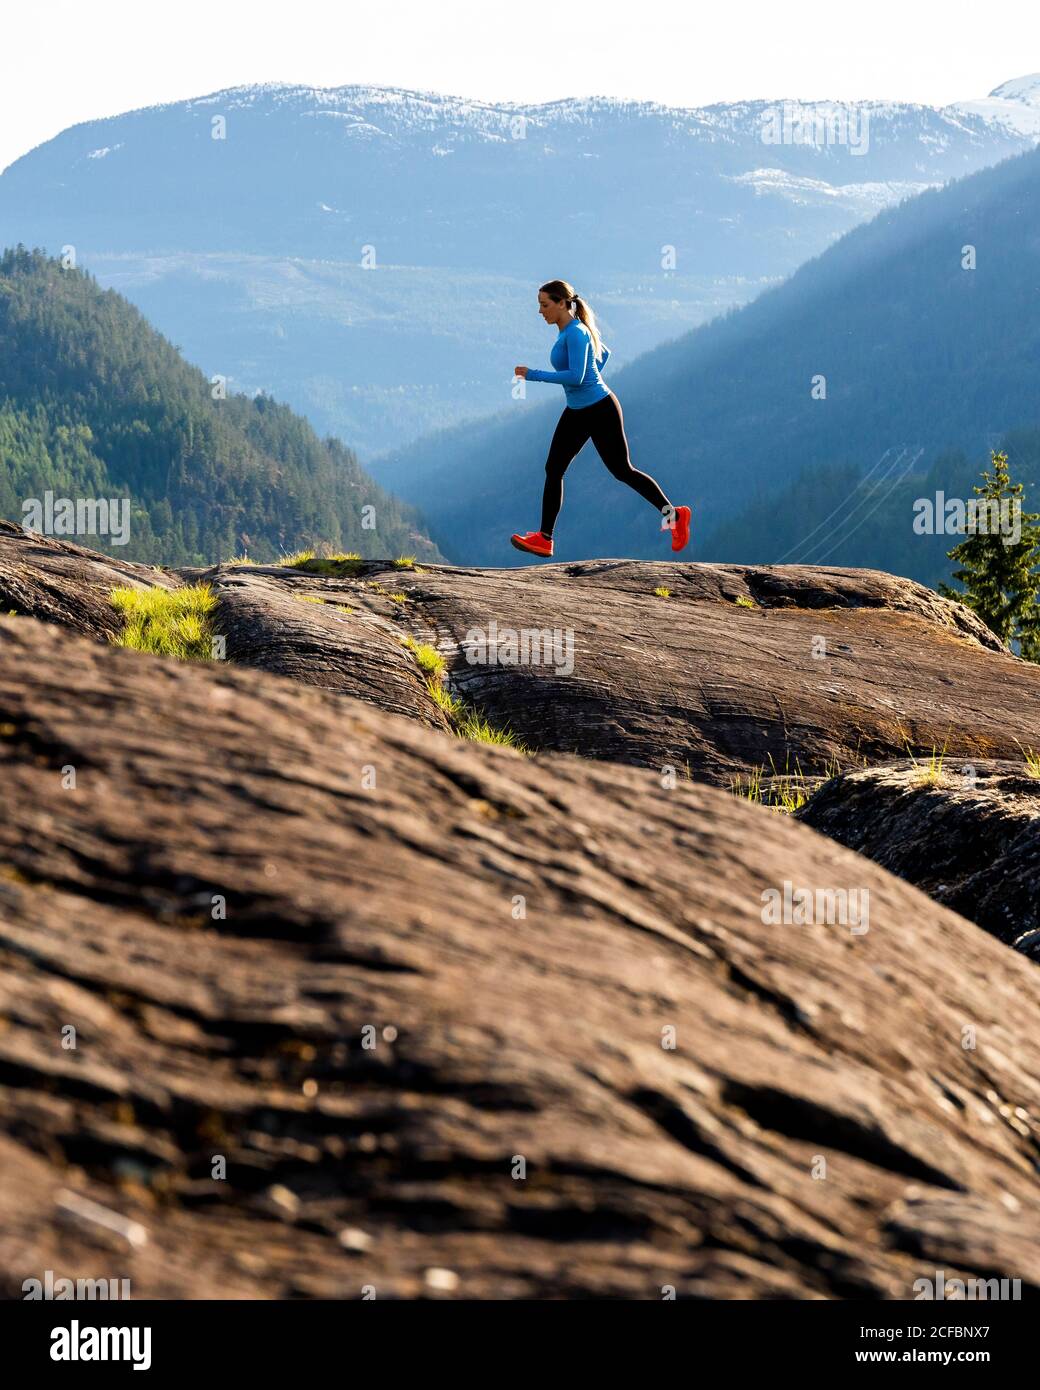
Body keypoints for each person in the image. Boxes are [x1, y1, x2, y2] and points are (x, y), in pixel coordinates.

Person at [511, 279, 691, 558]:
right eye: (539, 305)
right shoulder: (570, 331)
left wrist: (532, 374)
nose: (540, 311)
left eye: (545, 305)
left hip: (599, 409)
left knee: (622, 471)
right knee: (554, 468)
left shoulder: (576, 333)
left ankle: (675, 516)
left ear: (561, 303)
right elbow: (603, 353)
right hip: (578, 410)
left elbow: (577, 376)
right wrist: (589, 375)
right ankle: (544, 538)